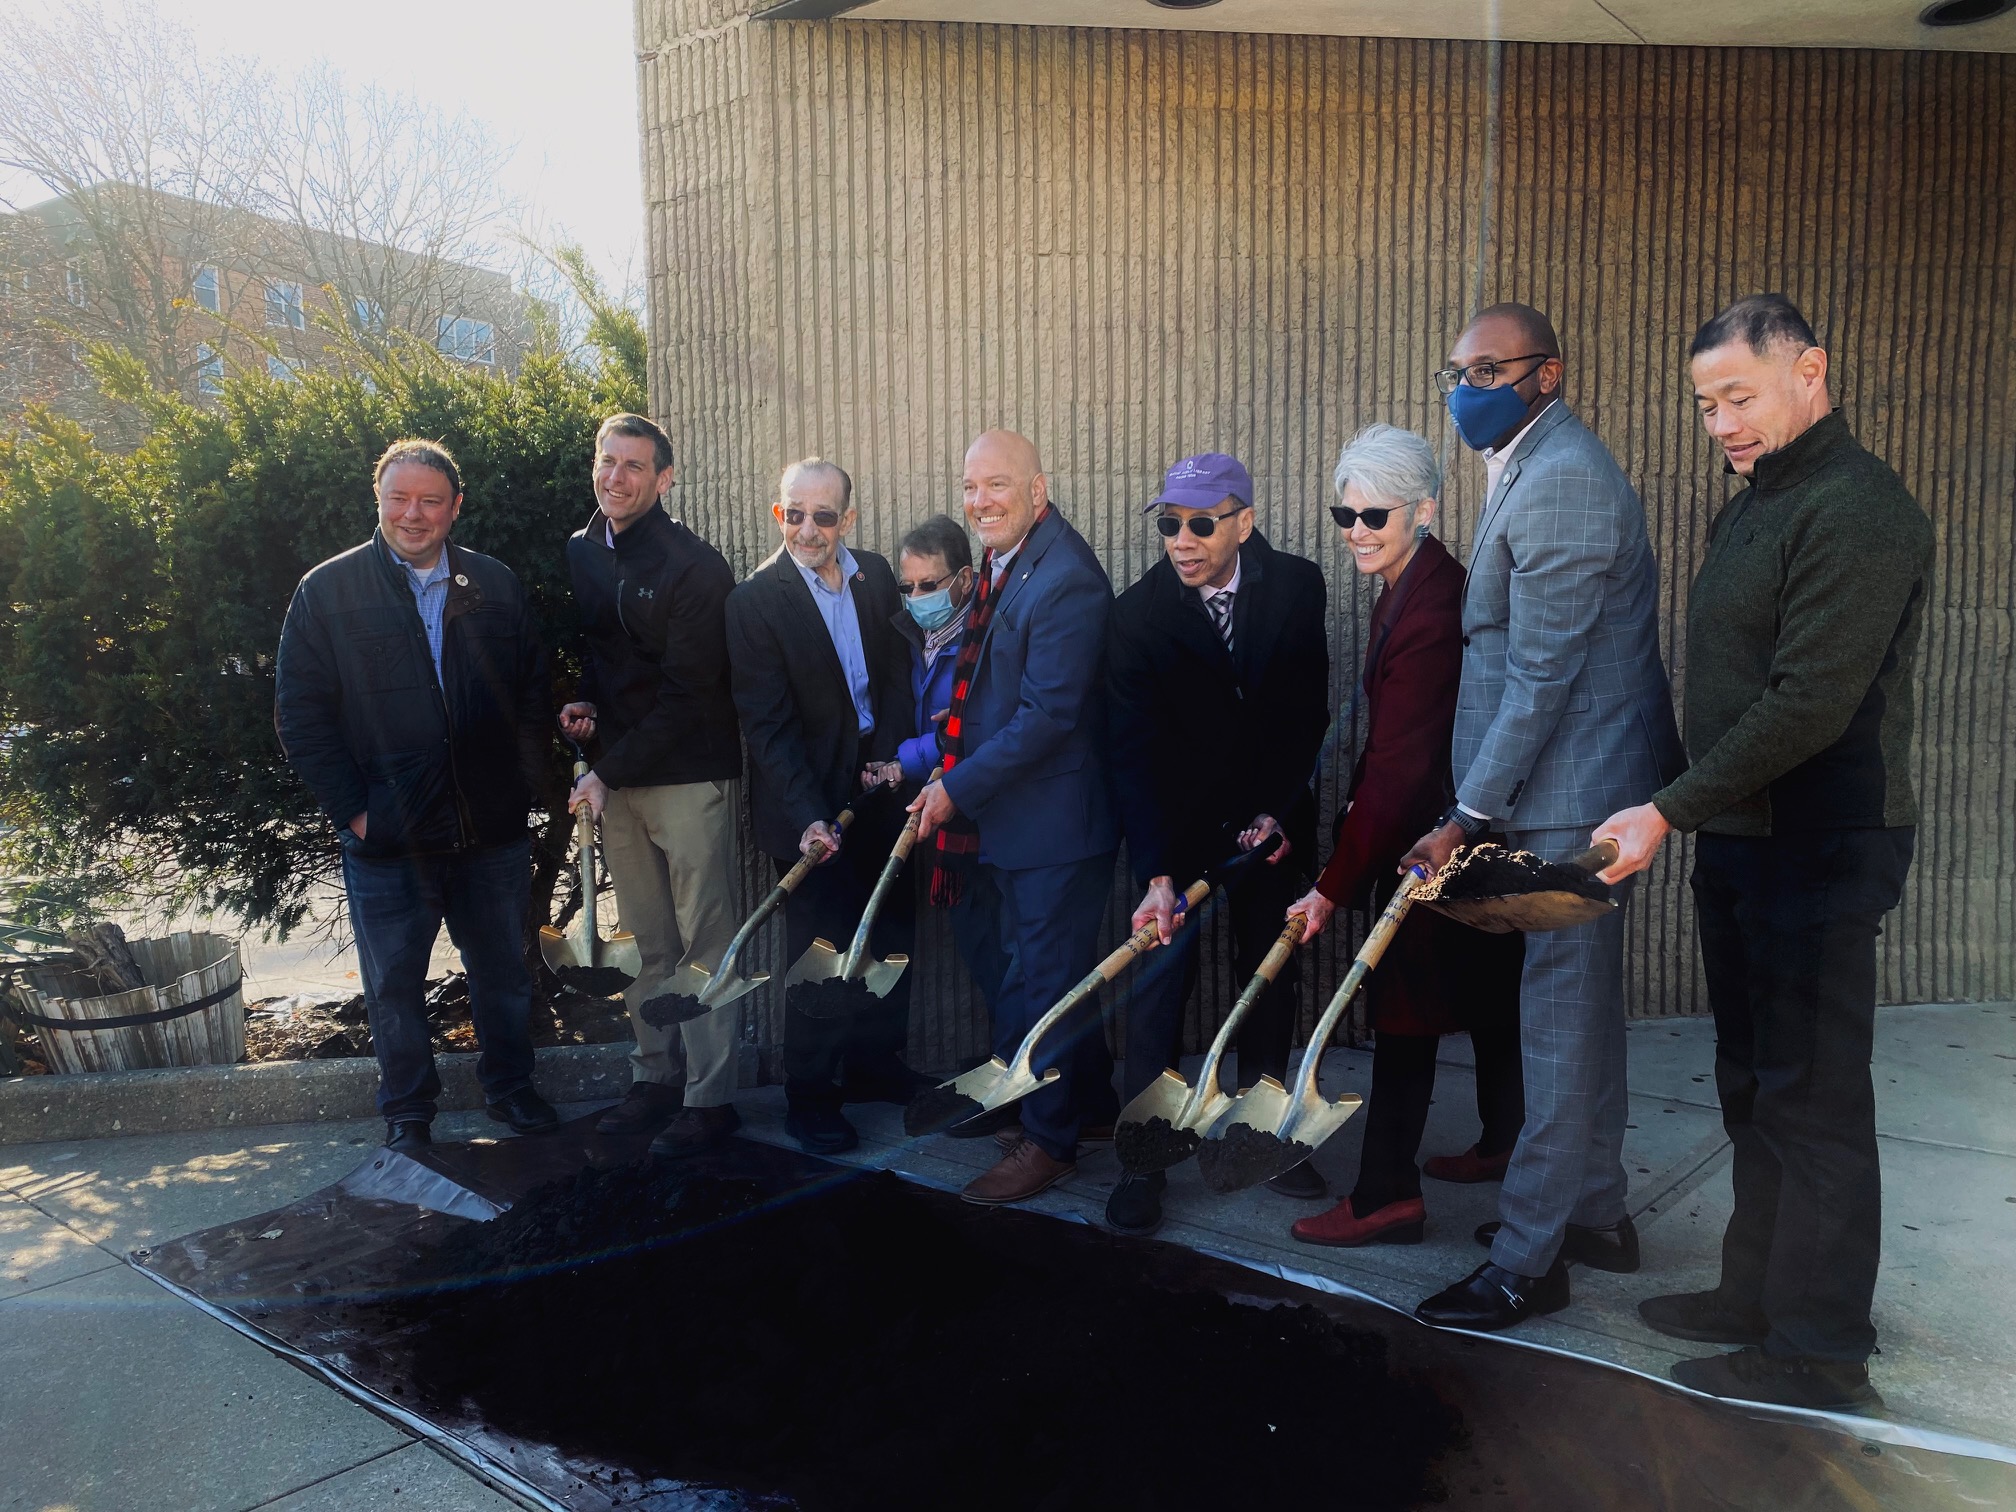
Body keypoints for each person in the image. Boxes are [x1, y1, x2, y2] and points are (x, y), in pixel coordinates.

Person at [1594, 295, 1934, 1412]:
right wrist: (1691, 810)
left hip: (1820, 842)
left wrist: (1667, 810)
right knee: (1753, 1087)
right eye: (1706, 405)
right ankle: (1756, 1297)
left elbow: (1810, 704)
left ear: (1811, 371)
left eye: (1739, 396)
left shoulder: (1859, 507)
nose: (1722, 423)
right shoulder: (1756, 504)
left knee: (1812, 1097)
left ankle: (1821, 1350)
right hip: (1746, 838)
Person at [1406, 304, 1685, 1333]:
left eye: (1489, 370)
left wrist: (1467, 812)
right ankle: (1597, 1215)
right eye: (1456, 371)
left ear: (1548, 375)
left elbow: (1540, 674)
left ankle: (1527, 1263)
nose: (1465, 389)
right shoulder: (1531, 462)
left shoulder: (1563, 478)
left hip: (1572, 795)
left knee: (1558, 1024)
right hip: (1571, 784)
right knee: (1583, 1013)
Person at [1281, 425, 1526, 1249]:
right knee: (1485, 991)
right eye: (1344, 514)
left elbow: (1399, 768)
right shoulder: (1411, 583)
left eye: (1374, 514)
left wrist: (1331, 884)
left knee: (1406, 1009)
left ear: (1423, 510)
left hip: (1437, 840)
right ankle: (1506, 1138)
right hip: (1452, 829)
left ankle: (1387, 1195)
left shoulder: (1430, 607)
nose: (1357, 530)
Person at [276, 439, 558, 1152]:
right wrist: (356, 812)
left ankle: (511, 1089)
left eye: (430, 501)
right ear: (378, 501)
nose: (413, 514)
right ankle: (407, 1111)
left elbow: (532, 691)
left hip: (491, 831)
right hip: (390, 837)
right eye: (398, 498)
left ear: (455, 507)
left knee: (503, 974)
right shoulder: (328, 590)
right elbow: (301, 716)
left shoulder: (494, 584)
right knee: (394, 985)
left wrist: (522, 788)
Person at [1102, 451, 1330, 1235]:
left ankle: (1260, 1135)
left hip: (1270, 824)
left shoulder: (1296, 586)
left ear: (1244, 522)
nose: (1182, 541)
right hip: (1180, 826)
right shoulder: (1135, 616)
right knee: (1160, 985)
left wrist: (1277, 811)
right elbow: (1132, 753)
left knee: (1269, 976)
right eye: (1169, 524)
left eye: (1201, 524)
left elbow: (1306, 715)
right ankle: (1143, 1159)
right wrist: (1158, 873)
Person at [910, 430, 1121, 1206]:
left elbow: (1047, 716)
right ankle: (1088, 1108)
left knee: (1044, 983)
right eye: (970, 487)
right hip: (1017, 819)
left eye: (996, 485)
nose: (979, 501)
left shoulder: (1066, 577)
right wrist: (951, 766)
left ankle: (1050, 1142)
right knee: (1046, 972)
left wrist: (957, 789)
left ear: (1038, 489)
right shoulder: (1009, 558)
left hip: (1055, 826)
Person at [559, 413, 745, 1158]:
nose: (616, 476)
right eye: (607, 461)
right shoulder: (582, 549)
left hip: (688, 775)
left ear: (664, 480)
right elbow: (601, 653)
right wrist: (582, 703)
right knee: (645, 943)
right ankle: (655, 1078)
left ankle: (710, 1099)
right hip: (619, 778)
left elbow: (688, 694)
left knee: (704, 942)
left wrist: (605, 770)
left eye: (634, 466)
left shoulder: (696, 567)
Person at [727, 458, 923, 1155]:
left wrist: (893, 760)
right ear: (778, 514)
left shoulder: (874, 575)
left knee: (890, 928)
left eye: (824, 515)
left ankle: (874, 1064)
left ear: (849, 519)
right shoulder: (753, 601)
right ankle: (809, 1096)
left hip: (878, 783)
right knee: (821, 949)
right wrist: (809, 813)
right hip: (807, 796)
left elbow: (897, 676)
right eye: (794, 514)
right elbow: (767, 727)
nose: (808, 530)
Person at [862, 514, 1012, 1026]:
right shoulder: (911, 638)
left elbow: (976, 724)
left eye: (929, 585)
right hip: (947, 816)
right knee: (984, 956)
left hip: (991, 819)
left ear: (965, 579)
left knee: (1008, 961)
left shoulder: (986, 635)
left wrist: (905, 760)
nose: (916, 597)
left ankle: (1024, 1067)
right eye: (908, 587)